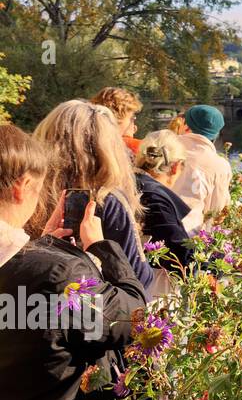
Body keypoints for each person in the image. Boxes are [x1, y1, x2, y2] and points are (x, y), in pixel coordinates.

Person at [0, 125, 148, 400]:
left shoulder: (44, 266)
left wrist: (46, 247)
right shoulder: (57, 273)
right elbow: (135, 318)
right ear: (22, 186)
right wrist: (100, 248)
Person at [31, 100, 156, 299]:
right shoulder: (107, 201)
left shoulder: (27, 193)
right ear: (109, 149)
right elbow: (138, 277)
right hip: (94, 315)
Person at [134, 130, 196, 269]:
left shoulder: (131, 183)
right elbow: (182, 254)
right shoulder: (156, 199)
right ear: (175, 166)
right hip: (154, 282)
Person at [174, 105, 231, 231]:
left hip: (154, 235)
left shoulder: (166, 149)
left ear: (186, 125)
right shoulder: (220, 165)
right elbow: (217, 209)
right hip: (190, 237)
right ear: (216, 134)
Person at [89, 87, 144, 158]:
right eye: (132, 118)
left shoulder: (82, 143)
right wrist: (129, 137)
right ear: (119, 118)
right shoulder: (137, 147)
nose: (134, 126)